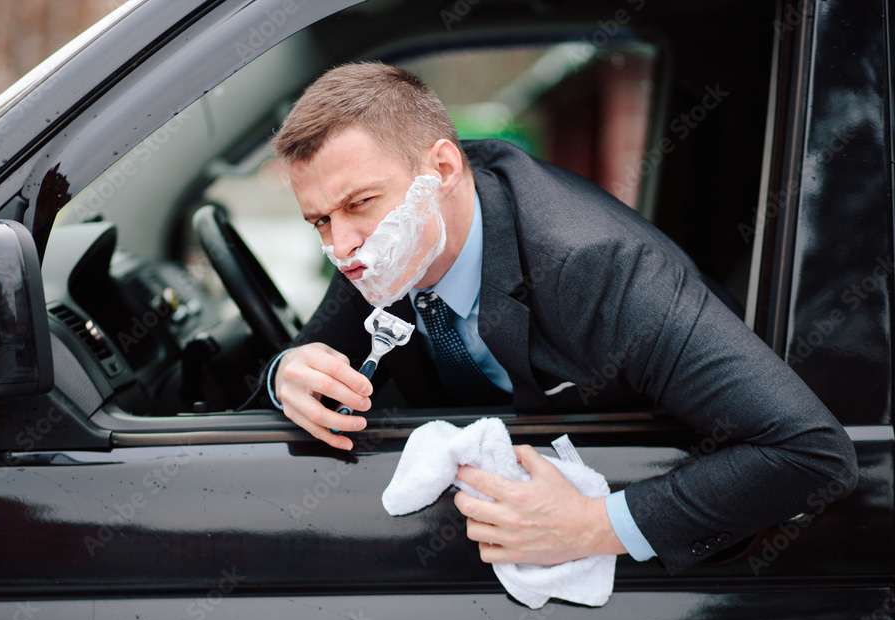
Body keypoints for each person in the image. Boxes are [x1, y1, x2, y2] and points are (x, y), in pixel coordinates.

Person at [244, 61, 857, 575]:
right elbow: (311, 362)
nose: (342, 246)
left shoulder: (596, 267)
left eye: (358, 203)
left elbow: (813, 453)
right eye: (319, 221)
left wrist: (596, 525)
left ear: (442, 171)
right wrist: (284, 374)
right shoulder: (380, 241)